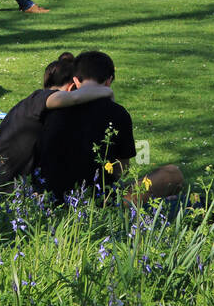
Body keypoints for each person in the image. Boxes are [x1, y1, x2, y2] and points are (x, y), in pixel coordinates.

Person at [33, 50, 182, 204]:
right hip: (100, 202)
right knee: (172, 174)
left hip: (50, 199)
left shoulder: (53, 110)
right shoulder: (117, 113)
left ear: (76, 81)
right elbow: (121, 170)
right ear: (109, 81)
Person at [0, 52, 115, 189]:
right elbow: (73, 98)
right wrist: (106, 92)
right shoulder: (40, 98)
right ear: (71, 87)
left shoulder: (34, 104)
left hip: (2, 176)